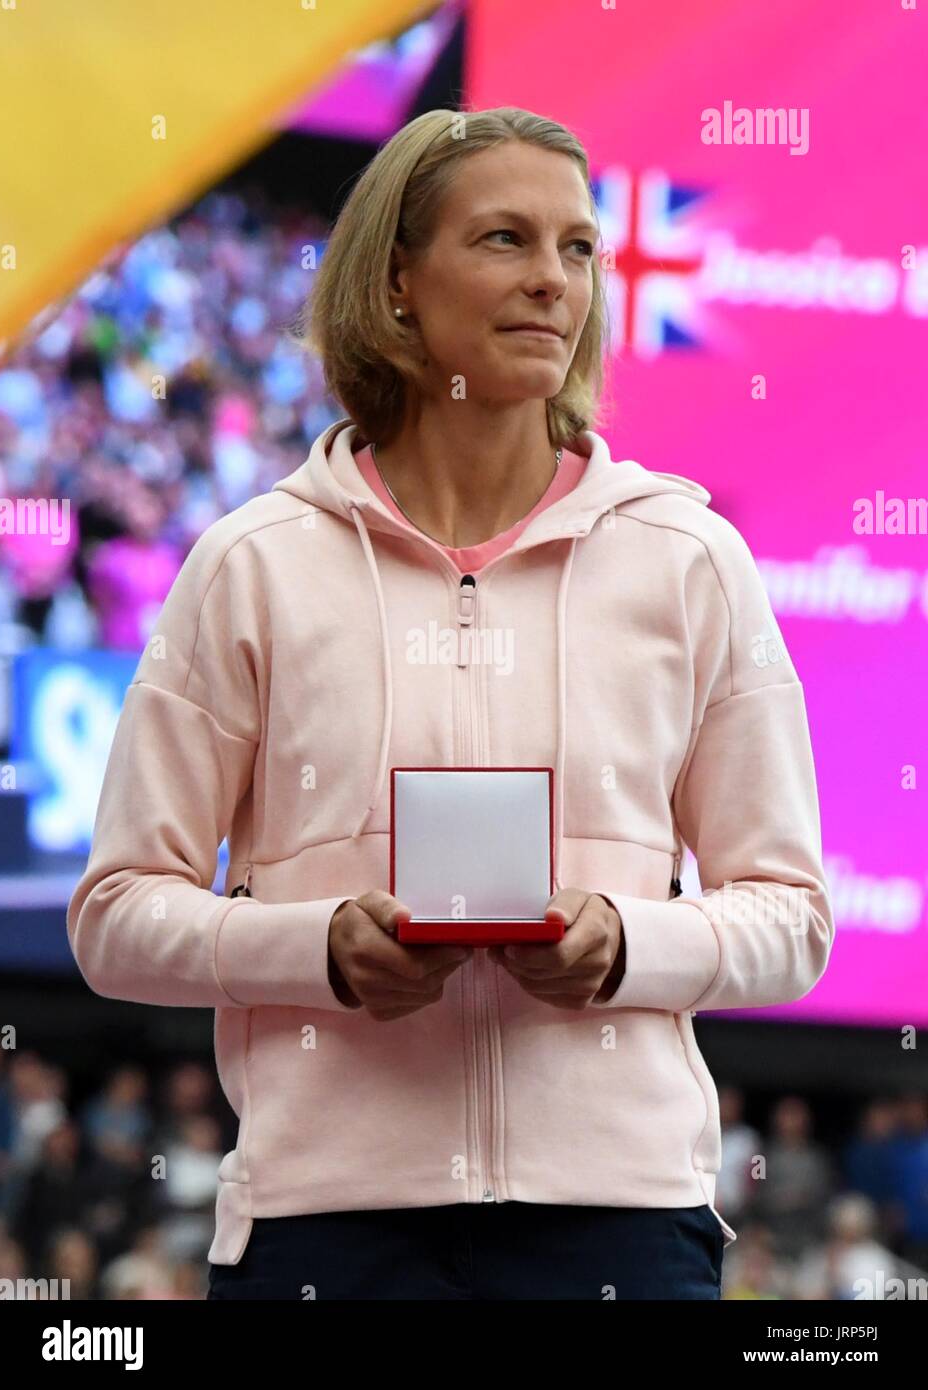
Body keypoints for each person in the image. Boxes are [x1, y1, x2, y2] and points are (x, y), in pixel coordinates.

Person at [66, 106, 834, 1300]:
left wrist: (628, 944)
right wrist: (316, 948)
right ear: (396, 284)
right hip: (327, 1232)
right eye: (505, 240)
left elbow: (793, 919)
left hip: (622, 1232)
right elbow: (115, 915)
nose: (552, 281)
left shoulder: (689, 559)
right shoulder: (252, 563)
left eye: (579, 248)